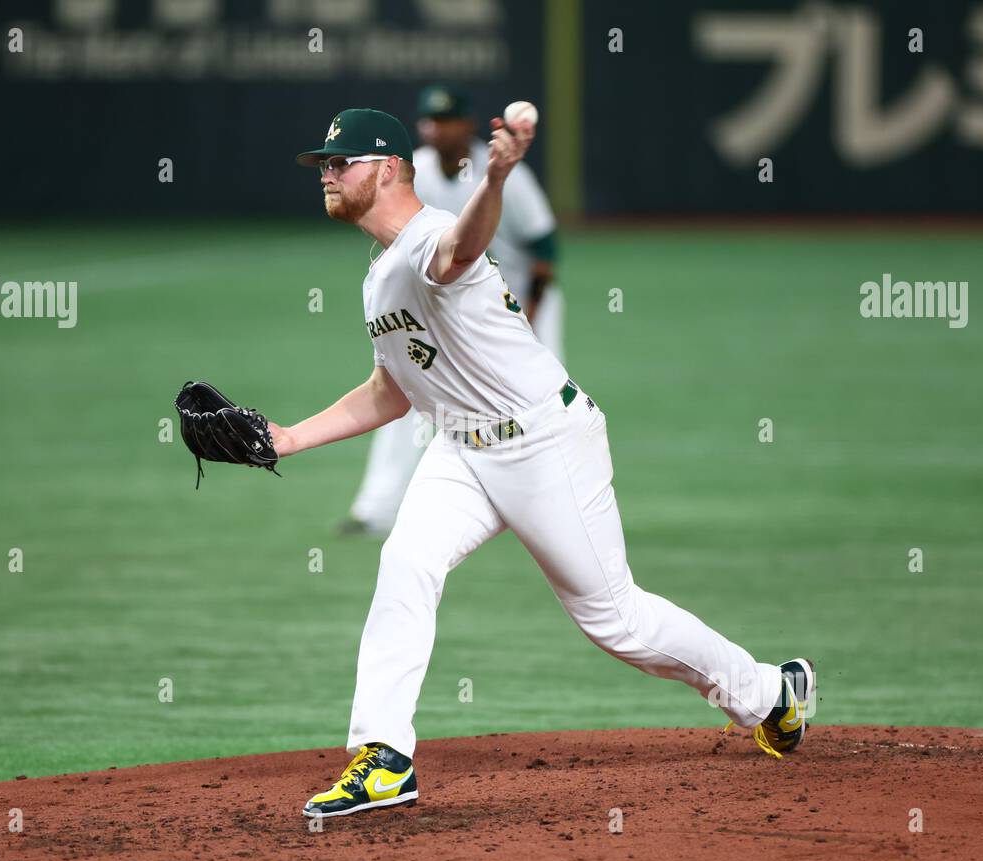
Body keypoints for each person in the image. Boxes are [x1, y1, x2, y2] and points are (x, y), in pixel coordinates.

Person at [279, 107, 815, 818]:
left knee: (616, 622)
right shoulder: (380, 275)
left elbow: (464, 244)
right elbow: (391, 393)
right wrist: (285, 438)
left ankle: (771, 694)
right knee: (406, 564)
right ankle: (383, 758)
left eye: (339, 162)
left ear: (387, 169)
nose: (327, 173)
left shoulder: (433, 236)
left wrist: (497, 173)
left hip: (543, 444)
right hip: (461, 450)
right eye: (323, 163)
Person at [339, 85, 562, 536]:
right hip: (440, 306)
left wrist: (527, 322)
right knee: (410, 391)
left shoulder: (504, 172)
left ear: (469, 125)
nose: (437, 129)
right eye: (430, 121)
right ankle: (375, 508)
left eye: (447, 120)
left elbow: (546, 249)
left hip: (514, 302)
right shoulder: (409, 170)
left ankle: (551, 511)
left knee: (540, 407)